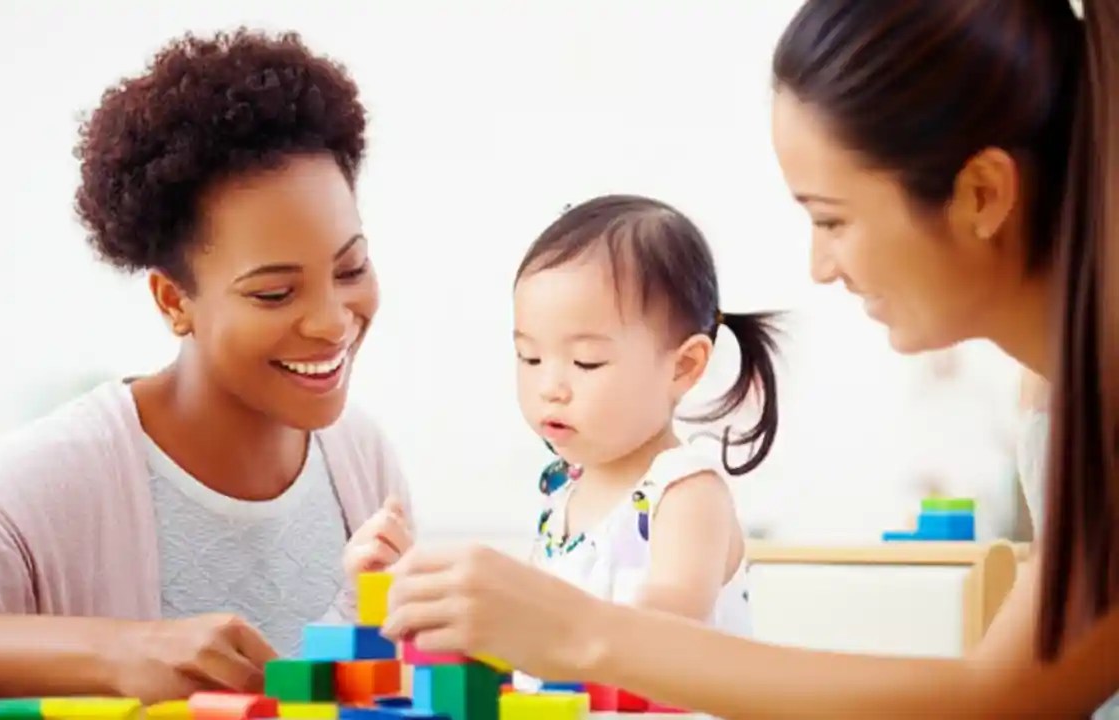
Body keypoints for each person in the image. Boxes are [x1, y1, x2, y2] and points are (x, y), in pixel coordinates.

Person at [382, 0, 1119, 716]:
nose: (819, 264)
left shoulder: (683, 489)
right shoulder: (1053, 386)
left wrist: (576, 632)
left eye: (831, 218)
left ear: (982, 194)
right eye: (530, 358)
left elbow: (1015, 697)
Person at [0, 29, 414, 705]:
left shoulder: (360, 458)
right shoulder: (70, 471)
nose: (332, 320)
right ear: (175, 301)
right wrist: (118, 649)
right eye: (274, 293)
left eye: (351, 268)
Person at [510, 195, 781, 693]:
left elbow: (667, 638)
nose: (550, 385)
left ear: (683, 367)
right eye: (529, 358)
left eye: (586, 362)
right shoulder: (562, 495)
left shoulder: (685, 495)